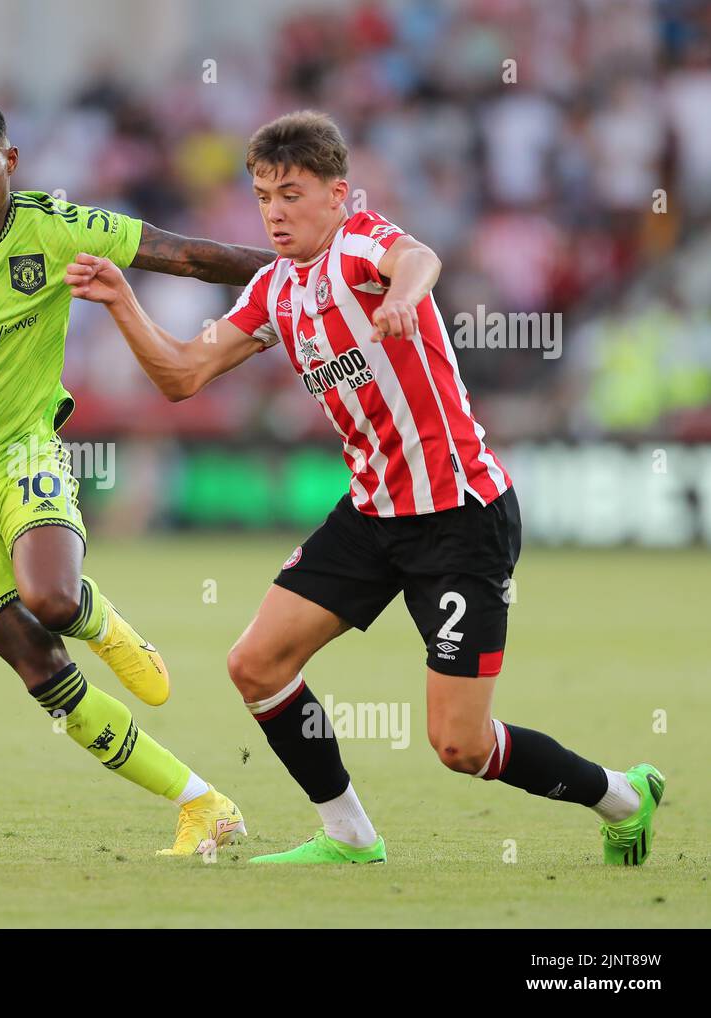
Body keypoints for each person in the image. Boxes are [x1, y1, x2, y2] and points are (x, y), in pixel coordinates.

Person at [65, 109, 663, 866]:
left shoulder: (362, 247)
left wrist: (404, 296)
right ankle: (349, 835)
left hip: (460, 515)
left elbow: (419, 257)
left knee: (460, 744)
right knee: (256, 665)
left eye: (291, 193)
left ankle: (623, 795)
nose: (275, 212)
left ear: (337, 194)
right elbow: (183, 374)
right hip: (374, 513)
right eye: (262, 197)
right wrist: (123, 301)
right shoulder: (273, 290)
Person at [0, 99, 273, 854]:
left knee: (52, 597)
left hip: (23, 455)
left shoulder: (58, 224)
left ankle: (101, 619)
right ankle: (201, 802)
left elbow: (188, 256)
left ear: (10, 163)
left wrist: (320, 273)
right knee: (40, 669)